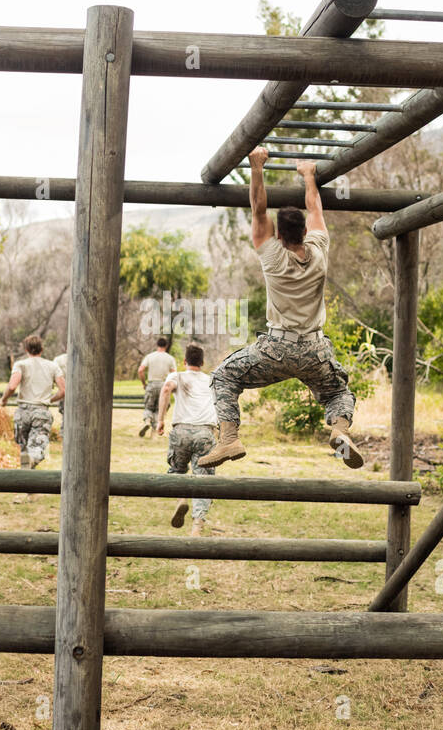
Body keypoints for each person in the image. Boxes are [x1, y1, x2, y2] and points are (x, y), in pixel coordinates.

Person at [201, 148, 364, 470]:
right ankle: (339, 430)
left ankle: (229, 440)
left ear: (277, 235)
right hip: (315, 350)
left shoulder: (272, 256)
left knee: (223, 377)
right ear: (305, 232)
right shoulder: (319, 251)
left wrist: (256, 166)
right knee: (337, 393)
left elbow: (258, 208)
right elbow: (314, 207)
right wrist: (308, 176)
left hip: (276, 348)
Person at [157, 342, 217, 538]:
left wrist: (160, 420)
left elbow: (166, 389)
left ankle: (182, 498)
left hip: (181, 430)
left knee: (177, 470)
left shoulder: (178, 376)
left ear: (184, 361)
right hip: (205, 432)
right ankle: (197, 527)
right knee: (203, 479)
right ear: (202, 362)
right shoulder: (210, 380)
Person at [1, 334, 65, 468]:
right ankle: (31, 466)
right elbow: (63, 390)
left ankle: (27, 480)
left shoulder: (21, 365)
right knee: (37, 449)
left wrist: (4, 399)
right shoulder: (52, 366)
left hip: (22, 412)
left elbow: (12, 386)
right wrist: (49, 400)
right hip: (41, 412)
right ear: (42, 349)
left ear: (26, 350)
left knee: (24, 449)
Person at [137, 337, 176, 437]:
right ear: (166, 346)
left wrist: (144, 383)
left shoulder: (150, 356)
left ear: (157, 345)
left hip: (151, 384)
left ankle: (147, 420)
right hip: (164, 385)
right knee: (160, 409)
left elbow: (140, 370)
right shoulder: (170, 358)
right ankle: (154, 432)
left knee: (148, 407)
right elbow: (174, 374)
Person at [51, 351, 67, 435]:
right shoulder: (59, 360)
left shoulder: (58, 360)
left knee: (66, 415)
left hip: (64, 392)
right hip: (65, 392)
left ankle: (64, 433)